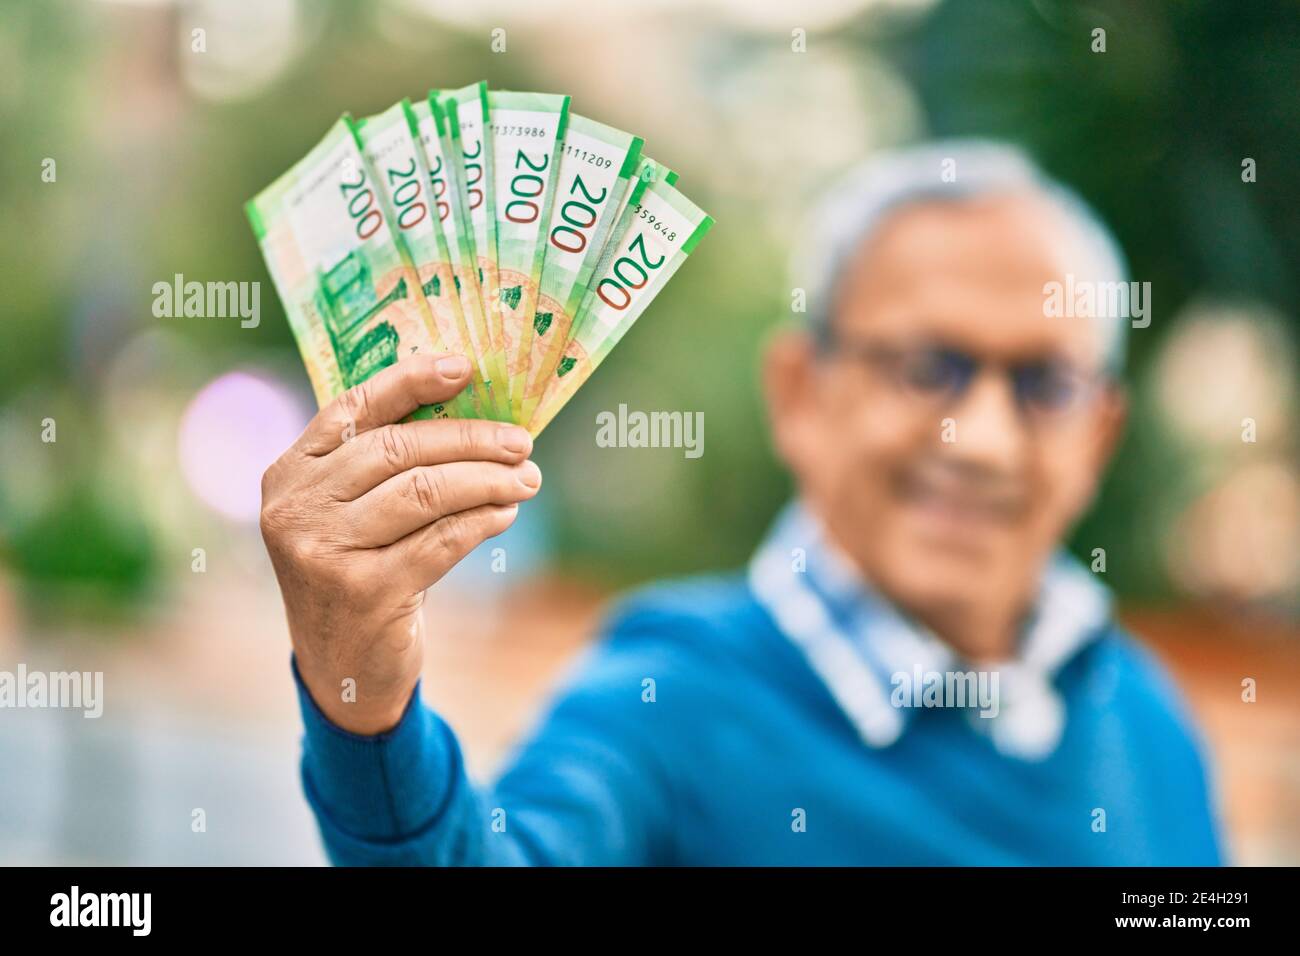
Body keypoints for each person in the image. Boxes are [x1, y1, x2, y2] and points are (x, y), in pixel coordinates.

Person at [259, 141, 1223, 865]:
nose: (979, 439)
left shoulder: (1148, 720)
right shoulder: (668, 703)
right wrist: (362, 700)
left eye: (1044, 384)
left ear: (1098, 431)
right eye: (930, 368)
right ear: (800, 395)